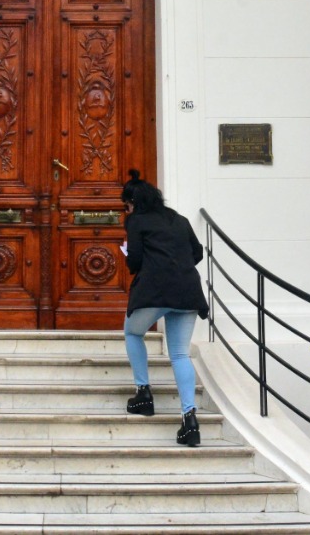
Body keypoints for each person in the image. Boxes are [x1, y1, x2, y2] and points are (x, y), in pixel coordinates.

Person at [120, 169, 209, 446]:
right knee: (180, 353)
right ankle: (189, 421)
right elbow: (197, 252)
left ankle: (144, 394)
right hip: (187, 291)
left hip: (154, 290)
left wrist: (133, 256)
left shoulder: (136, 221)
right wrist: (175, 267)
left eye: (126, 205)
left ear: (133, 203)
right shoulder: (179, 219)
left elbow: (134, 261)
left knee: (133, 333)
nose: (127, 210)